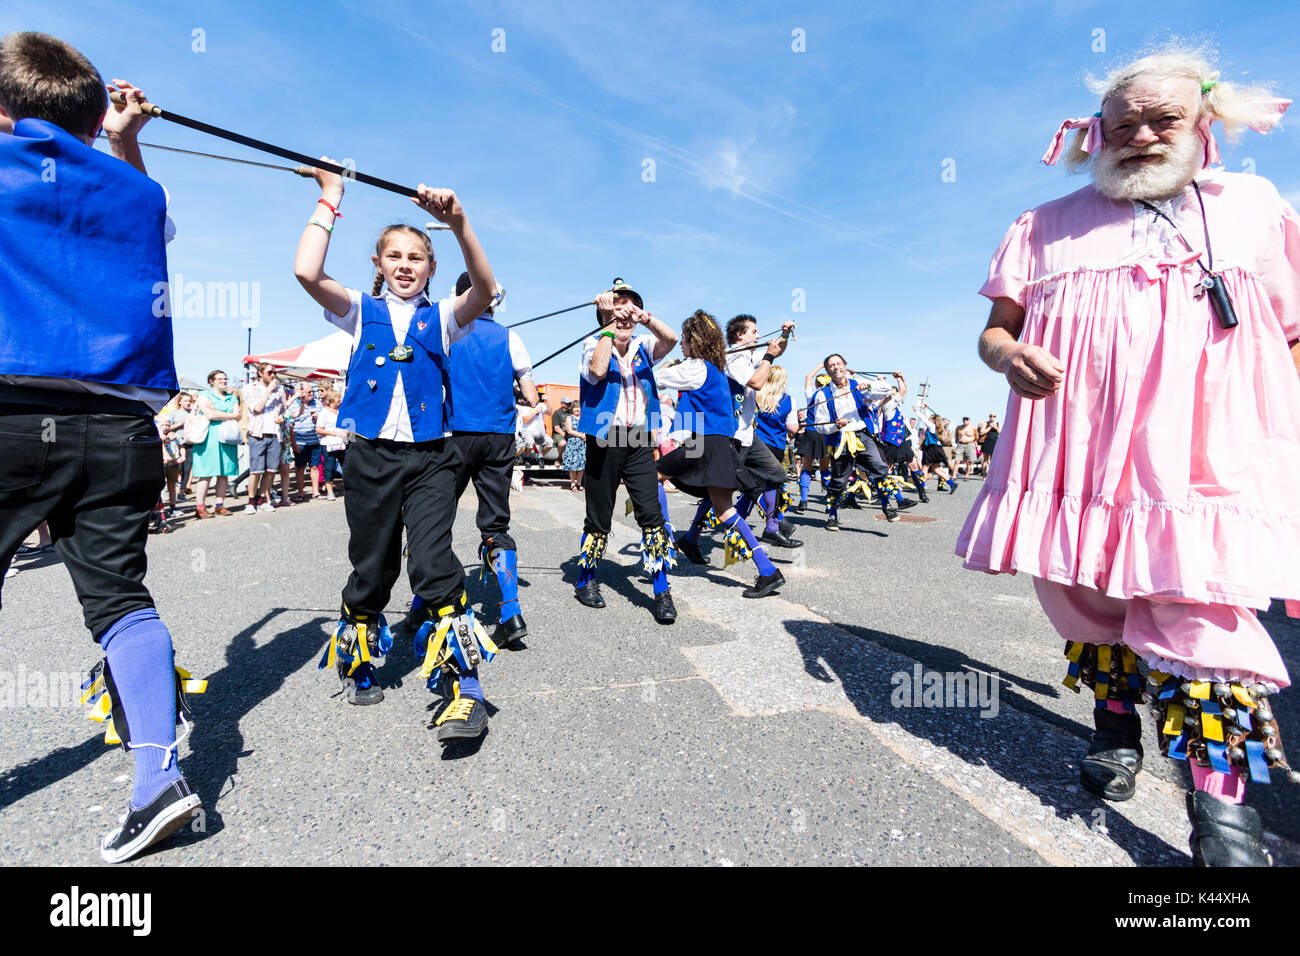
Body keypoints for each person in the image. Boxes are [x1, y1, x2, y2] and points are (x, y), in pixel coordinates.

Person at [956, 49, 1299, 866]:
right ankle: (1114, 721)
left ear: (1204, 124)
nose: (1142, 135)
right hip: (1069, 453)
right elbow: (994, 331)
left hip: (1204, 458)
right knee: (1085, 600)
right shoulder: (1041, 225)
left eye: (1163, 119)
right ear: (1097, 134)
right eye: (1124, 123)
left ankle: (1226, 824)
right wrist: (1009, 358)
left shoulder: (1254, 207)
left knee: (1201, 621)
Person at [0, 33, 206, 863]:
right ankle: (159, 780)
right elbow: (133, 198)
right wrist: (119, 137)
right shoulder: (137, 196)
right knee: (120, 600)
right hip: (119, 425)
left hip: (13, 411)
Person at [295, 154, 500, 742]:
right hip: (370, 457)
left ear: (432, 266)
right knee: (374, 562)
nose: (405, 265)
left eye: (416, 257)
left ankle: (466, 690)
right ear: (379, 265)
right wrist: (330, 195)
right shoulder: (361, 311)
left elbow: (485, 289)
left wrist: (459, 221)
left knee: (435, 563)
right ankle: (359, 651)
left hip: (434, 457)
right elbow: (307, 273)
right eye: (395, 256)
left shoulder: (444, 317)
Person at [571, 278, 680, 623]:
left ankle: (661, 590)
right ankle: (586, 579)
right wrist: (606, 328)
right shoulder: (593, 344)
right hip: (604, 439)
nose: (625, 311)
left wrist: (645, 316)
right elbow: (599, 370)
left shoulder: (644, 345)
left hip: (638, 441)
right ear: (606, 311)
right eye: (619, 304)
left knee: (652, 515)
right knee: (599, 517)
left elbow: (672, 339)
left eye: (631, 304)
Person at [661, 312, 785, 597]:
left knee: (653, 475)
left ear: (695, 341)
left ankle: (666, 541)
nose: (681, 343)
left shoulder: (695, 367)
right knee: (724, 510)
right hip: (720, 443)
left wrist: (663, 361)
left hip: (702, 444)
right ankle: (767, 571)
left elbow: (658, 377)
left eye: (684, 339)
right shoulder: (717, 368)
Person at [446, 270, 536, 648]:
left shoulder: (447, 332)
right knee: (495, 524)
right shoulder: (510, 336)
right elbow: (532, 398)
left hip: (454, 435)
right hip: (498, 437)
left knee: (434, 519)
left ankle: (425, 604)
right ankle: (511, 611)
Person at [809, 355, 898, 528]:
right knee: (839, 480)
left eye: (838, 363)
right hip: (839, 438)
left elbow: (887, 389)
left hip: (862, 435)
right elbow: (819, 425)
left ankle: (887, 506)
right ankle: (832, 515)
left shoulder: (858, 385)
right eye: (831, 365)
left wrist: (870, 386)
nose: (836, 367)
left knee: (880, 468)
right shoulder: (822, 394)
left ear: (845, 366)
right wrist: (835, 425)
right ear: (827, 371)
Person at [191, 370, 242, 518]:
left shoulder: (232, 398)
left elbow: (237, 415)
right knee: (205, 474)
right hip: (209, 437)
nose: (223, 381)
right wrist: (230, 415)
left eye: (225, 378)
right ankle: (200, 507)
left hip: (228, 437)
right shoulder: (204, 395)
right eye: (219, 379)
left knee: (224, 473)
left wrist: (219, 414)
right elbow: (210, 415)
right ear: (211, 381)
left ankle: (219, 505)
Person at [242, 362, 286, 512]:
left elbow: (282, 411)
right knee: (256, 470)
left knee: (271, 470)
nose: (273, 375)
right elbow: (257, 408)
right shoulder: (250, 389)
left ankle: (262, 500)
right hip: (257, 434)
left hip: (274, 433)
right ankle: (250, 502)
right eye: (269, 372)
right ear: (260, 373)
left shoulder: (280, 391)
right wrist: (268, 390)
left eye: (274, 372)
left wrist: (281, 417)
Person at [287, 381, 323, 501]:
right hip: (300, 441)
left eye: (313, 391)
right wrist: (293, 443)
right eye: (309, 392)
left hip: (315, 440)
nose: (312, 394)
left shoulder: (317, 403)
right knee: (300, 467)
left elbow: (325, 419)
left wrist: (319, 417)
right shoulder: (293, 405)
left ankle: (315, 491)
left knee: (315, 467)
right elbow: (290, 426)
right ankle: (301, 492)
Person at [315, 388, 348, 501]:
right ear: (331, 400)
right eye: (337, 398)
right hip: (328, 444)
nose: (339, 400)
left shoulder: (340, 411)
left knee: (347, 466)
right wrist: (333, 433)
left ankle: (348, 489)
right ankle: (330, 491)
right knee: (329, 468)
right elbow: (318, 429)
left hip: (341, 444)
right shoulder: (323, 413)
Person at [561, 400, 586, 491]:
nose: (577, 409)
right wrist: (581, 435)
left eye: (578, 407)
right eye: (575, 407)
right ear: (572, 409)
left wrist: (585, 436)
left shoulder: (583, 418)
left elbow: (587, 429)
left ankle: (579, 483)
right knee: (573, 465)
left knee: (581, 465)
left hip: (583, 443)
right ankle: (572, 483)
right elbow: (569, 431)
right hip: (573, 443)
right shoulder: (569, 418)